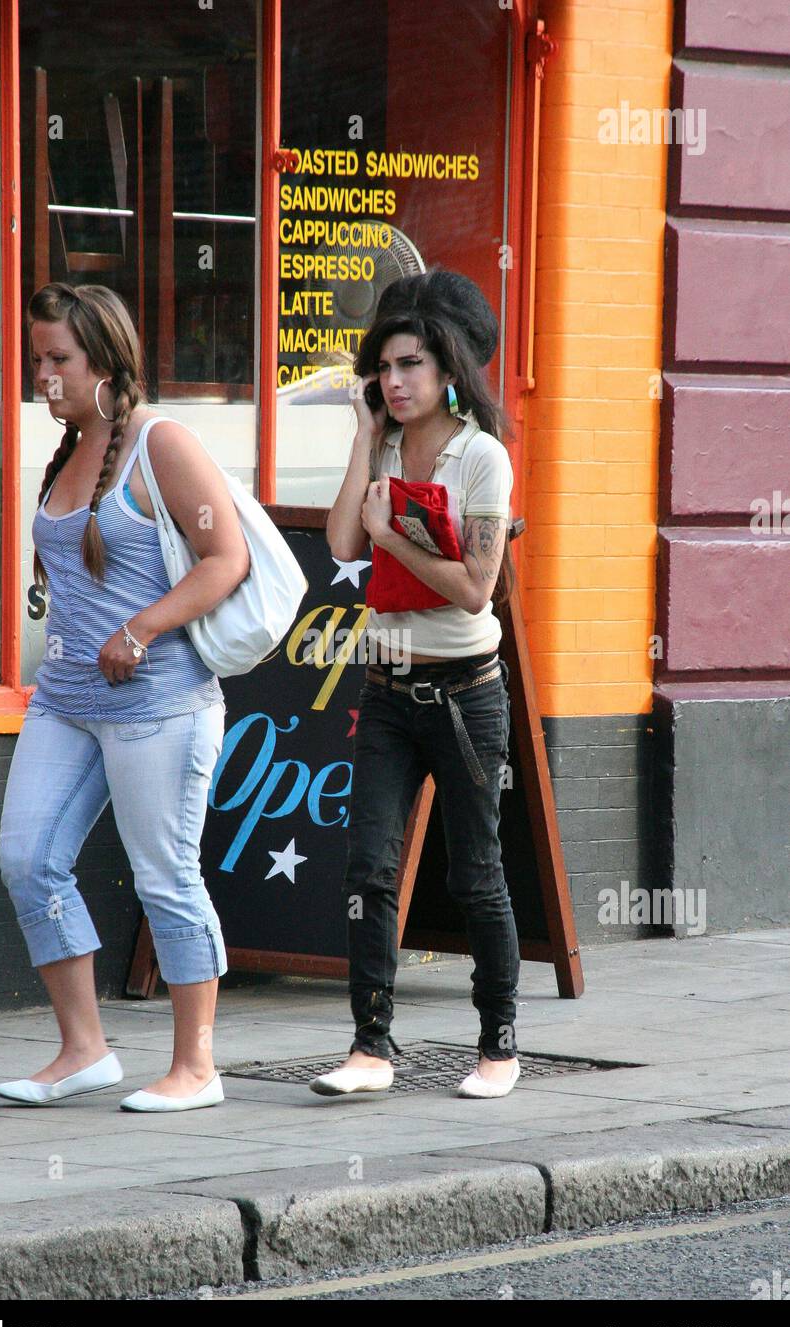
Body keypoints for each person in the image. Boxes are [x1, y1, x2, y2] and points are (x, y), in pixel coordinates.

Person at [0, 282, 249, 1113]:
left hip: (160, 705)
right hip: (66, 701)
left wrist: (139, 630)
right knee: (29, 860)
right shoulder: (71, 447)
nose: (44, 375)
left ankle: (197, 1067)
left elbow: (227, 558)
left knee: (166, 876)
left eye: (58, 359)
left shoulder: (159, 442)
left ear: (104, 360)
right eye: (37, 359)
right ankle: (84, 1050)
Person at [311, 269, 521, 1100]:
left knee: (476, 874)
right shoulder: (386, 447)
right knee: (368, 868)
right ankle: (371, 1049)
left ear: (448, 371)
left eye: (409, 367)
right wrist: (364, 442)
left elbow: (475, 586)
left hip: (467, 695)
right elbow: (339, 545)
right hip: (388, 690)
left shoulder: (483, 458)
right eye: (383, 370)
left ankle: (498, 1047)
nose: (394, 383)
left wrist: (390, 539)